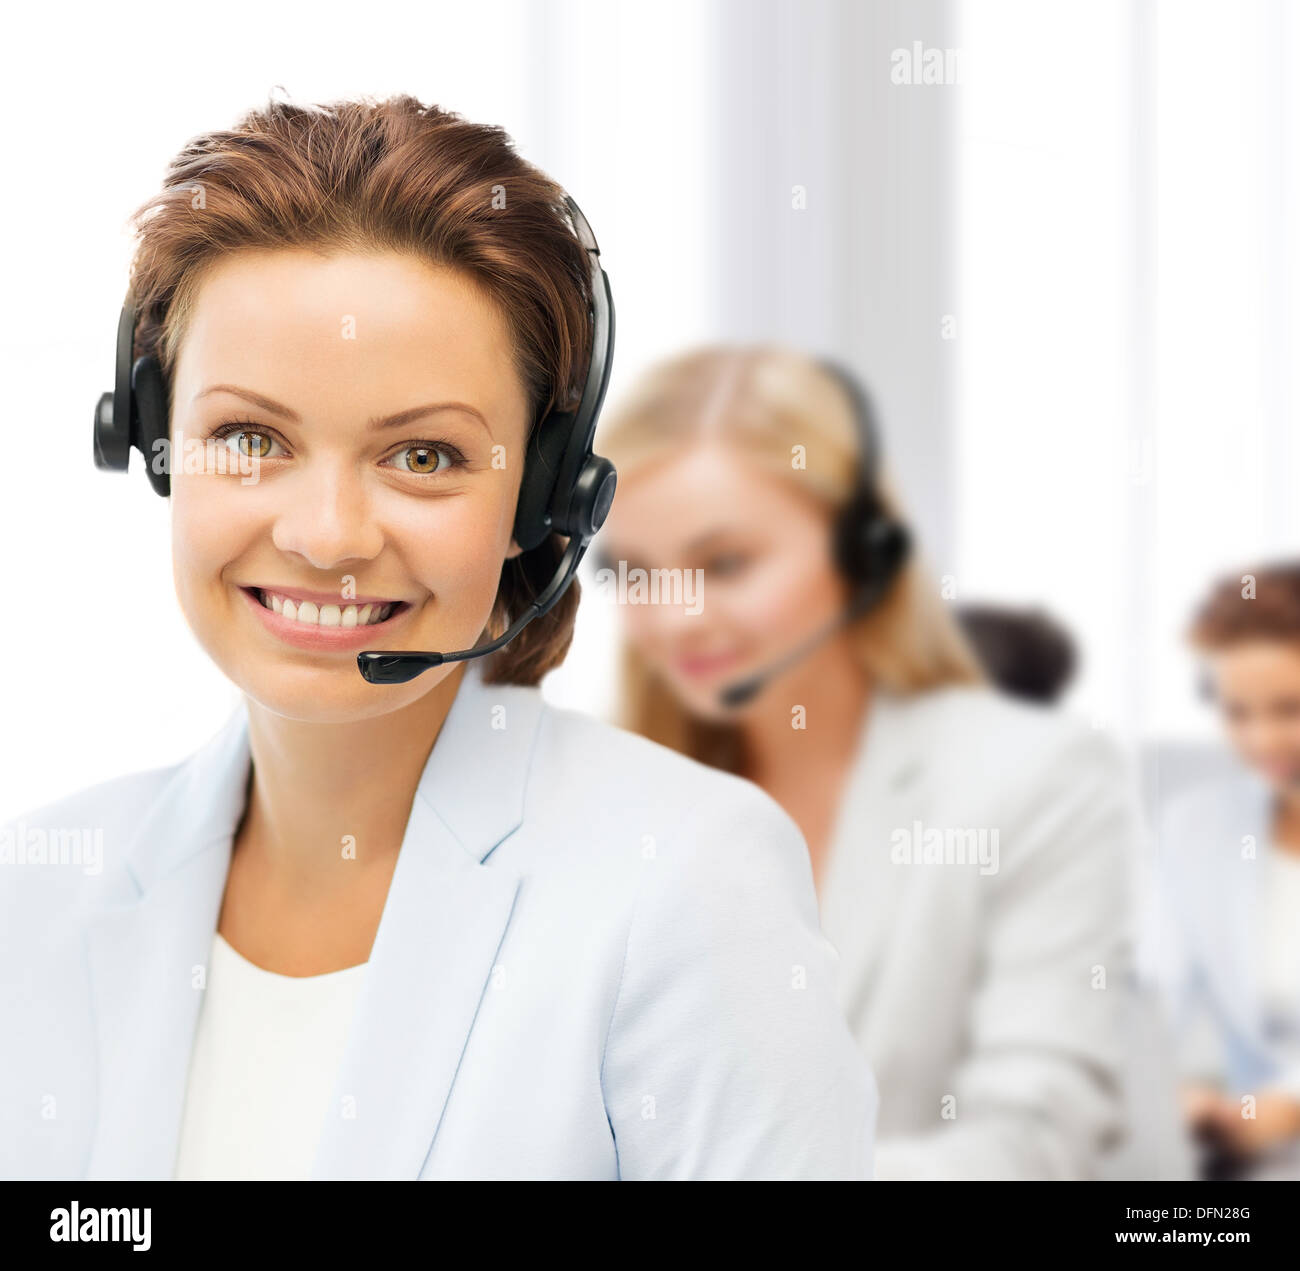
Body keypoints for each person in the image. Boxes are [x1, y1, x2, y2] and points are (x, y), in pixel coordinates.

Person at [0, 96, 875, 1182]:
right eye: (249, 436)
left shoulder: (686, 881)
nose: (326, 534)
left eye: (421, 455)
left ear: (544, 497)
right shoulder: (33, 891)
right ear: (150, 440)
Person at [594, 344, 1140, 1178]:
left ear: (864, 554)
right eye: (635, 572)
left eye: (726, 563)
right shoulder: (613, 799)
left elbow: (1036, 1138)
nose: (676, 620)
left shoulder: (1037, 777)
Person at [1144, 561, 1300, 1179]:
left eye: (1289, 709)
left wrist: (1290, 1105)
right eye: (1237, 713)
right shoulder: (1198, 824)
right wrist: (1177, 1091)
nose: (1261, 739)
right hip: (1241, 1159)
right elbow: (1158, 993)